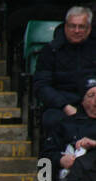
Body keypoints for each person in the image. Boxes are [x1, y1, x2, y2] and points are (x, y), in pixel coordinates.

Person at [34, 8, 96, 160]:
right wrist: (65, 106)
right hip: (61, 105)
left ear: (89, 29)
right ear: (65, 26)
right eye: (72, 26)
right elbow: (41, 85)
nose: (76, 30)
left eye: (81, 27)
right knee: (51, 121)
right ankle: (47, 176)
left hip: (92, 102)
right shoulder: (50, 50)